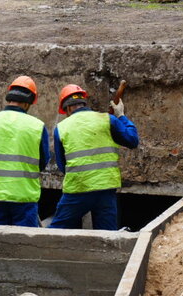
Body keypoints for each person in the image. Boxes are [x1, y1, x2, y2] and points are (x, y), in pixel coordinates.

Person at [49, 84, 139, 231]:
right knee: (107, 237)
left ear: (67, 108)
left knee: (57, 230)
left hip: (77, 190)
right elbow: (132, 140)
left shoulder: (62, 127)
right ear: (84, 103)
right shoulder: (107, 119)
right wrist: (121, 116)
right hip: (105, 189)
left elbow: (62, 165)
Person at [0, 76, 51, 227]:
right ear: (30, 101)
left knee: (0, 243)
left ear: (9, 97)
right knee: (26, 243)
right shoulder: (37, 126)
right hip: (24, 196)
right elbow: (43, 162)